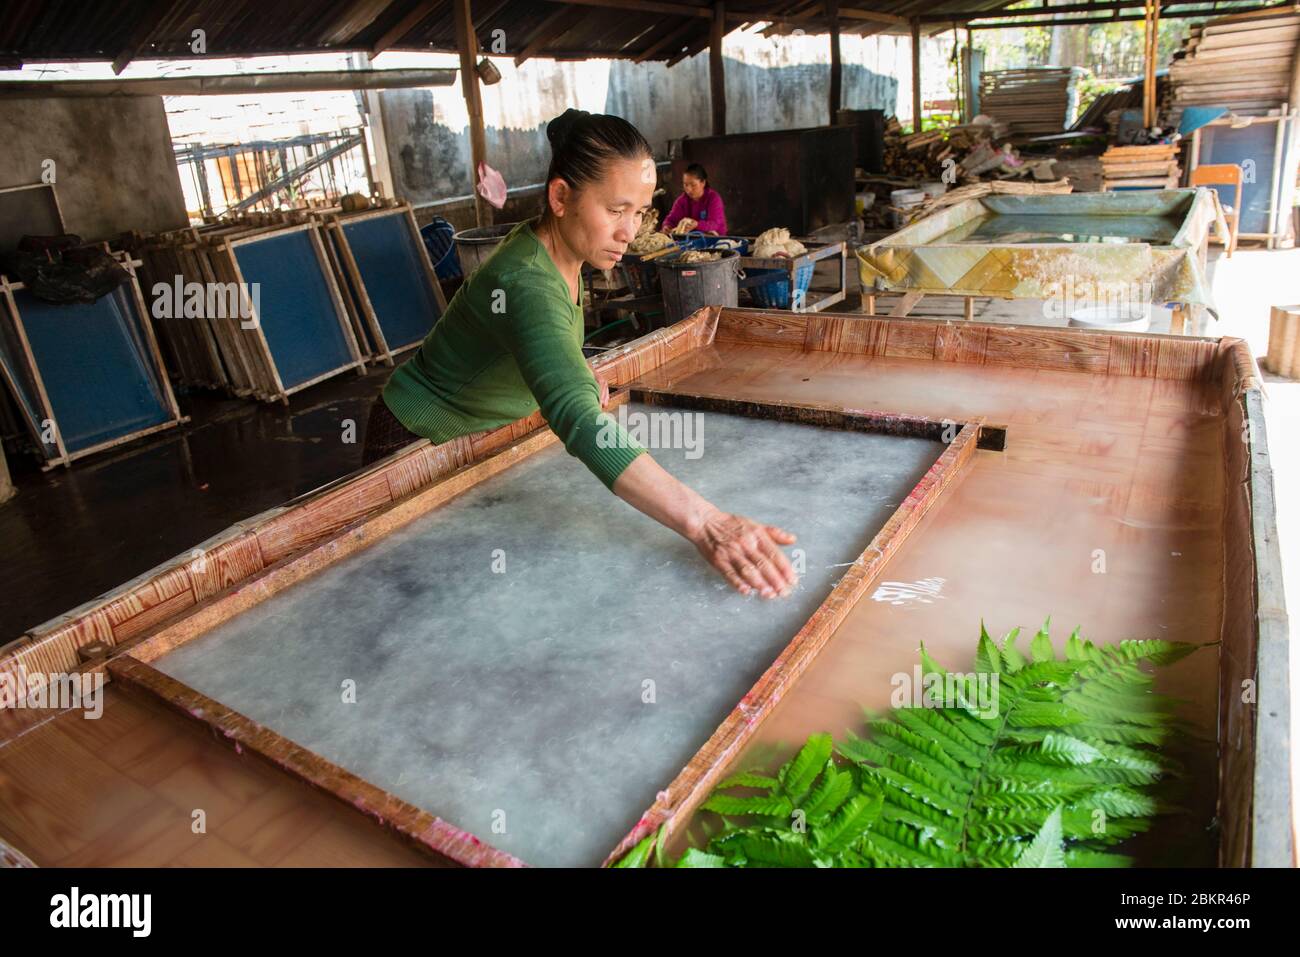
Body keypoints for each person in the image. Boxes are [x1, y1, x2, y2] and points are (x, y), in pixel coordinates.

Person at [361, 109, 796, 599]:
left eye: (639, 212)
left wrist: (579, 378)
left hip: (469, 440)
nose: (629, 232)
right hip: (414, 444)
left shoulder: (559, 252)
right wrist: (707, 521)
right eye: (615, 210)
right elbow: (578, 420)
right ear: (561, 196)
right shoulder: (527, 280)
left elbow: (549, 356)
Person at [662, 163, 727, 236]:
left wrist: (697, 225)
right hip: (690, 239)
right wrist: (666, 226)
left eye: (693, 185)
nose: (689, 190)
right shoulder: (681, 201)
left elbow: (715, 224)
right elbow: (671, 219)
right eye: (685, 185)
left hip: (715, 239)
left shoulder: (713, 198)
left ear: (703, 183)